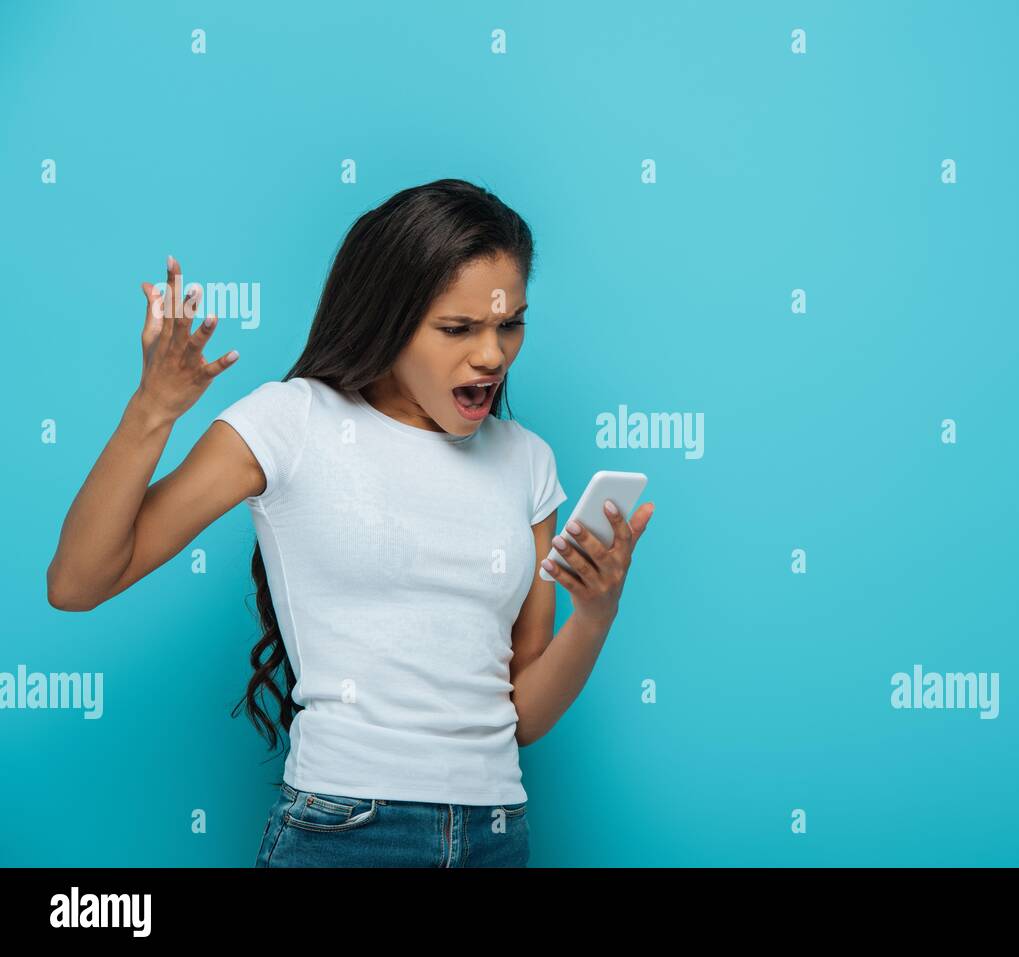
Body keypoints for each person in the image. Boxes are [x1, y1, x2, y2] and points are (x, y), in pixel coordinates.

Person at [45, 179, 655, 867]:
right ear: (388, 320)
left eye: (509, 322)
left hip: (495, 832)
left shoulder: (527, 461)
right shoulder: (291, 422)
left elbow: (525, 716)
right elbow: (77, 581)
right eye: (457, 328)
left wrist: (597, 613)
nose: (492, 355)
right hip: (345, 829)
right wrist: (153, 409)